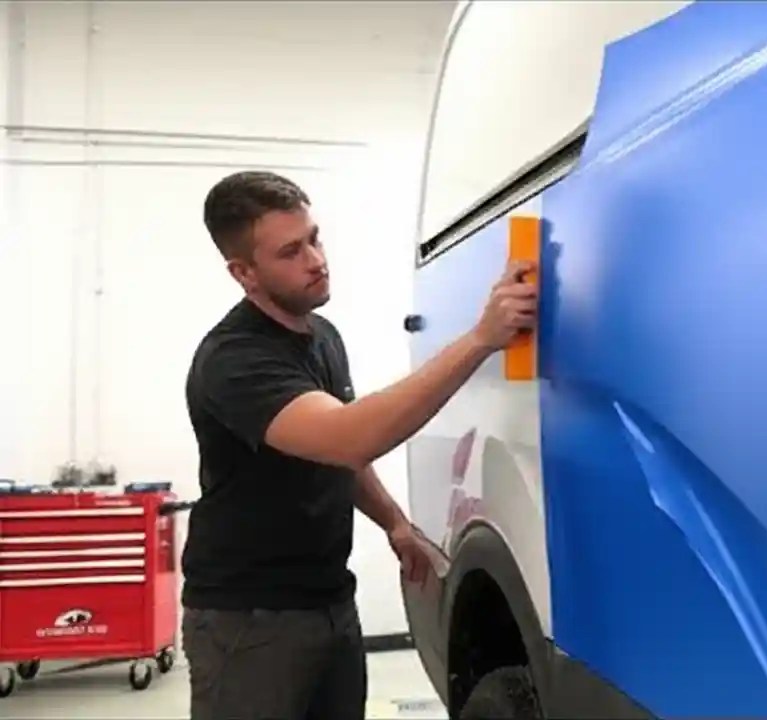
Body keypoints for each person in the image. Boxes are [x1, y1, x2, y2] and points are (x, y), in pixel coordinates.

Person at [180, 170, 537, 720]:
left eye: (315, 238)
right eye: (291, 251)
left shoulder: (320, 336)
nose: (316, 259)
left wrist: (394, 522)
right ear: (243, 272)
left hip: (328, 600)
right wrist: (480, 339)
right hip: (249, 620)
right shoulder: (234, 361)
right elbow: (351, 437)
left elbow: (336, 452)